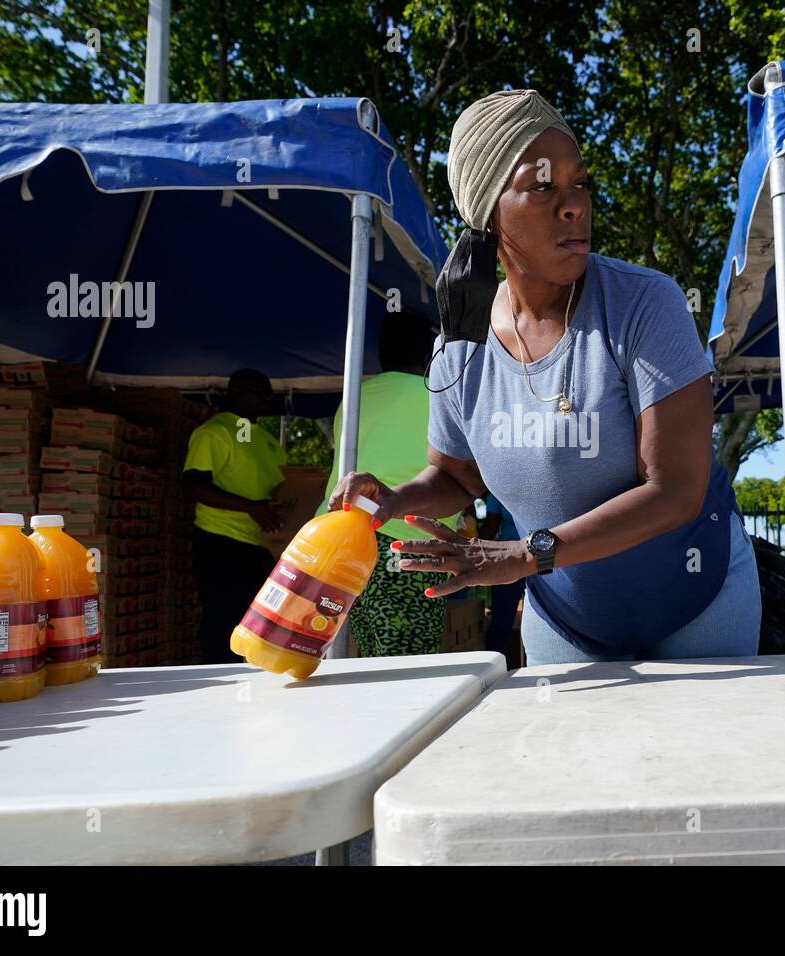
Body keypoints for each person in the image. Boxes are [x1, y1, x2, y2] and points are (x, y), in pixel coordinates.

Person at [326, 89, 761, 665]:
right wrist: (396, 497)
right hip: (568, 622)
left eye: (580, 183)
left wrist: (523, 556)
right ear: (488, 211)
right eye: (543, 187)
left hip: (697, 604)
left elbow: (676, 492)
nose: (574, 204)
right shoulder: (460, 345)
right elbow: (457, 476)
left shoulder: (643, 304)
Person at [315, 310, 461, 657]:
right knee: (406, 659)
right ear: (430, 356)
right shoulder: (438, 395)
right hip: (405, 540)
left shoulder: (352, 398)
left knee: (368, 650)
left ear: (381, 356)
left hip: (340, 535)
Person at [182, 369, 287, 663]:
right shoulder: (214, 432)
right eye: (258, 391)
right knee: (223, 623)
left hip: (262, 545)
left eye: (269, 393)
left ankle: (254, 689)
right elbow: (192, 486)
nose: (266, 399)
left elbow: (280, 487)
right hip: (221, 542)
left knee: (261, 625)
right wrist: (251, 507)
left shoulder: (268, 441)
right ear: (235, 391)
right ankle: (219, 688)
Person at [480, 492, 525, 658]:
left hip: (508, 560)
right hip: (544, 557)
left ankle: (493, 663)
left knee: (501, 619)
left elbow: (491, 525)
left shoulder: (497, 487)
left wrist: (475, 552)